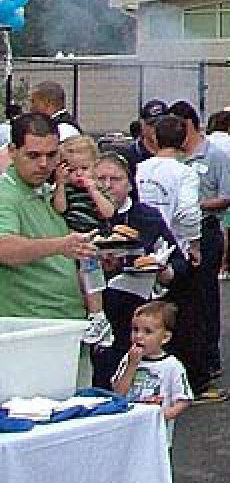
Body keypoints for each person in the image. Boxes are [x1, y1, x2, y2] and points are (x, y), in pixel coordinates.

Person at [88, 152, 187, 388]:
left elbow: (179, 262)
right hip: (94, 306)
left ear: (130, 184)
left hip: (136, 309)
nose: (107, 185)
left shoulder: (146, 216)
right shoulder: (83, 215)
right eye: (101, 179)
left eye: (115, 179)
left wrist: (163, 271)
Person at [169, 100, 230, 402]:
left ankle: (209, 356)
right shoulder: (172, 158)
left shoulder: (214, 155)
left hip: (205, 230)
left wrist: (197, 205)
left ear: (189, 125)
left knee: (205, 297)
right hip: (175, 234)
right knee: (181, 298)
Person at [0, 113, 96, 320]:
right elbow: (4, 248)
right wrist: (61, 245)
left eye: (51, 155)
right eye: (33, 156)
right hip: (30, 323)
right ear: (13, 151)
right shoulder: (5, 193)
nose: (44, 164)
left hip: (68, 317)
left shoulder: (48, 191)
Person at [51, 135, 118, 349]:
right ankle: (90, 316)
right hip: (71, 238)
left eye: (84, 169)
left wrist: (93, 189)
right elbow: (60, 209)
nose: (79, 174)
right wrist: (61, 184)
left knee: (89, 271)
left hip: (94, 237)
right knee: (79, 278)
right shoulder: (66, 190)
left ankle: (98, 315)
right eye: (72, 170)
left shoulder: (99, 189)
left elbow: (108, 212)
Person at [111, 299, 192, 446]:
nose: (139, 336)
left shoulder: (172, 366)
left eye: (148, 331)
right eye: (135, 329)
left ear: (165, 338)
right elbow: (117, 394)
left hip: (156, 437)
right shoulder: (128, 359)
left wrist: (163, 415)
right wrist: (131, 366)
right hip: (127, 431)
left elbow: (183, 400)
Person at [135, 116, 202, 257]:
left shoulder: (139, 169)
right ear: (185, 140)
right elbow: (188, 212)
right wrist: (194, 244)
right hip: (173, 248)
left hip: (139, 244)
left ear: (155, 138)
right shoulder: (186, 173)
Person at [205, 110, 230, 276]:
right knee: (225, 228)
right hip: (228, 185)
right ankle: (223, 266)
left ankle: (213, 266)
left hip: (207, 186)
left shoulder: (206, 141)